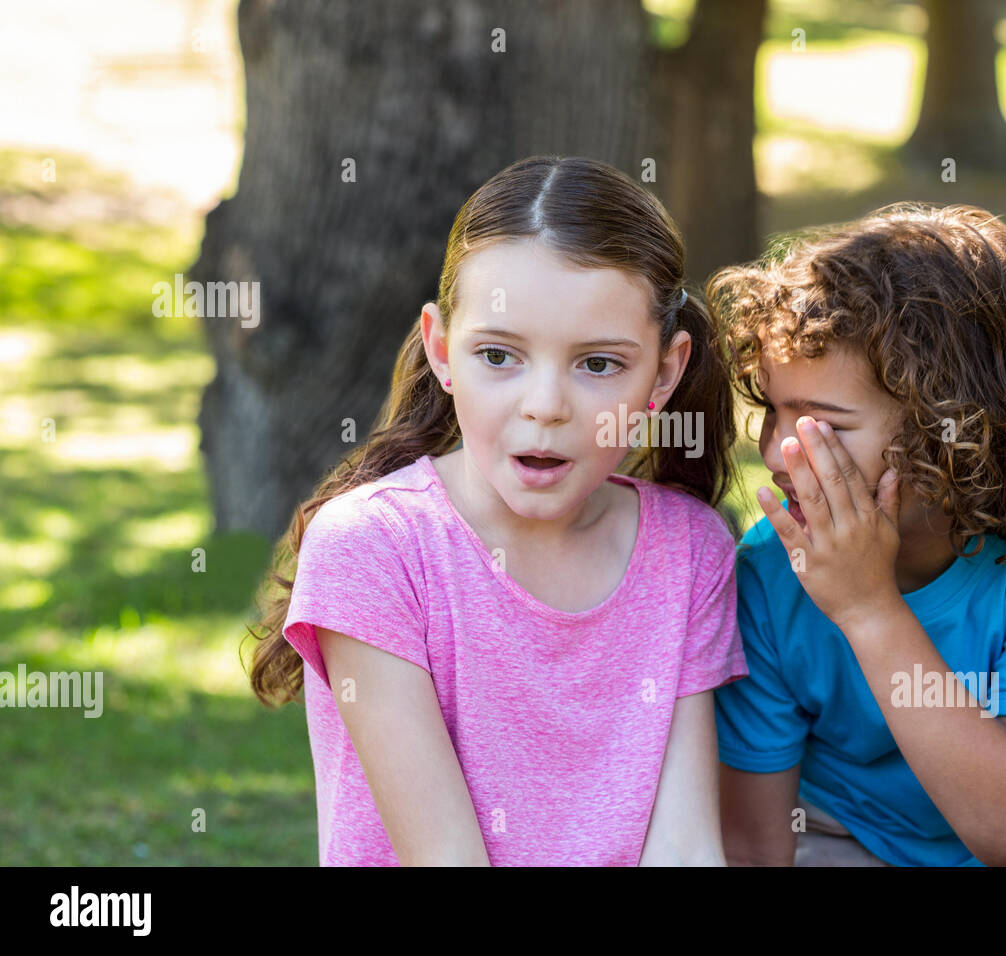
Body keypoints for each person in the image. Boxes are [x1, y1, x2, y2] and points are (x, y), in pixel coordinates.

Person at [244, 155, 747, 866]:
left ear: (664, 372)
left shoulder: (690, 548)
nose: (545, 405)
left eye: (598, 364)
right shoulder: (373, 546)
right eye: (499, 356)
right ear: (442, 349)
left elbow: (689, 848)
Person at [706, 202, 1006, 866]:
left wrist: (868, 610)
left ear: (958, 429)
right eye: (772, 411)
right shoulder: (770, 569)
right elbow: (753, 845)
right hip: (832, 837)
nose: (774, 452)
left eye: (821, 423)